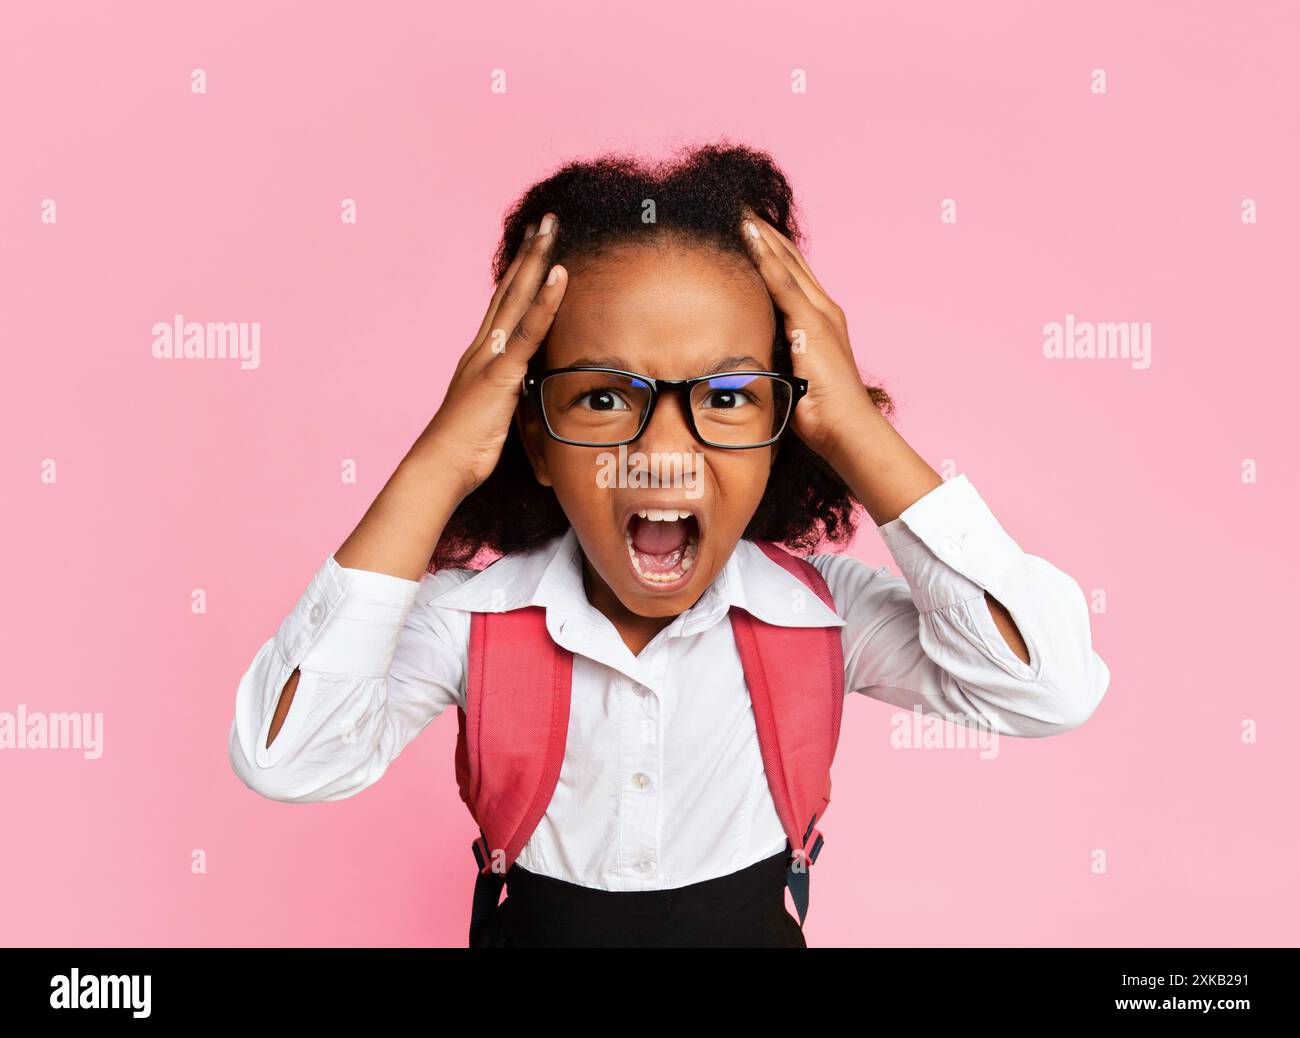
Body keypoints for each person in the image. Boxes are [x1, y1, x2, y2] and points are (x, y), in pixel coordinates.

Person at [227, 141, 1110, 947]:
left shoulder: (820, 613)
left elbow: (1048, 690)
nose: (663, 452)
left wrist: (856, 436)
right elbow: (290, 758)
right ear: (531, 437)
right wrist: (438, 462)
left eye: (728, 397)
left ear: (785, 424)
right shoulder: (475, 621)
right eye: (604, 398)